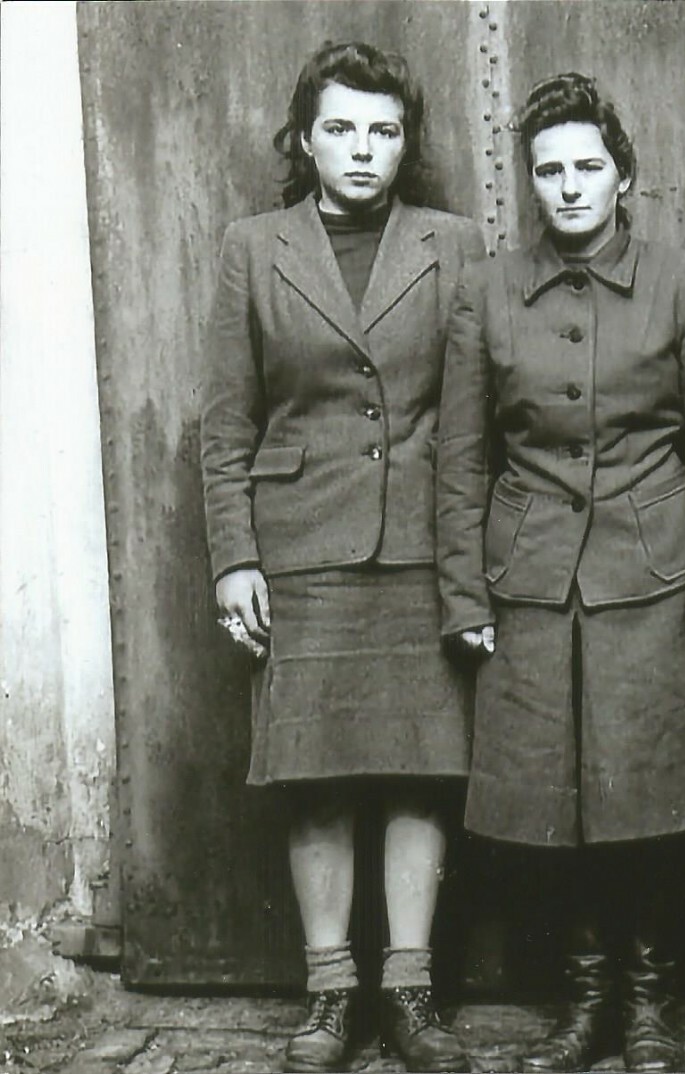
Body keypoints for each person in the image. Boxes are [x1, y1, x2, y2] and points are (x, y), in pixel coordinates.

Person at [434, 72, 685, 1074]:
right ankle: (585, 1006)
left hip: (655, 580)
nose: (569, 187)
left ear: (624, 175)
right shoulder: (486, 290)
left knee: (648, 801)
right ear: (530, 183)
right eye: (549, 170)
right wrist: (463, 593)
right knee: (554, 804)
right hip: (530, 584)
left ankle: (650, 1005)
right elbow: (461, 457)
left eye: (587, 166)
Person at [200, 41, 484, 1074]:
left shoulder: (455, 243)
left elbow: (477, 410)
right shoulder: (253, 247)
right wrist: (235, 556)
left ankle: (409, 992)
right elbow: (225, 422)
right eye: (342, 129)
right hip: (302, 545)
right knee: (314, 778)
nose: (363, 149)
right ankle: (329, 994)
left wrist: (470, 558)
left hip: (419, 542)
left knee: (420, 771)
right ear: (306, 140)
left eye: (384, 130)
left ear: (406, 144)